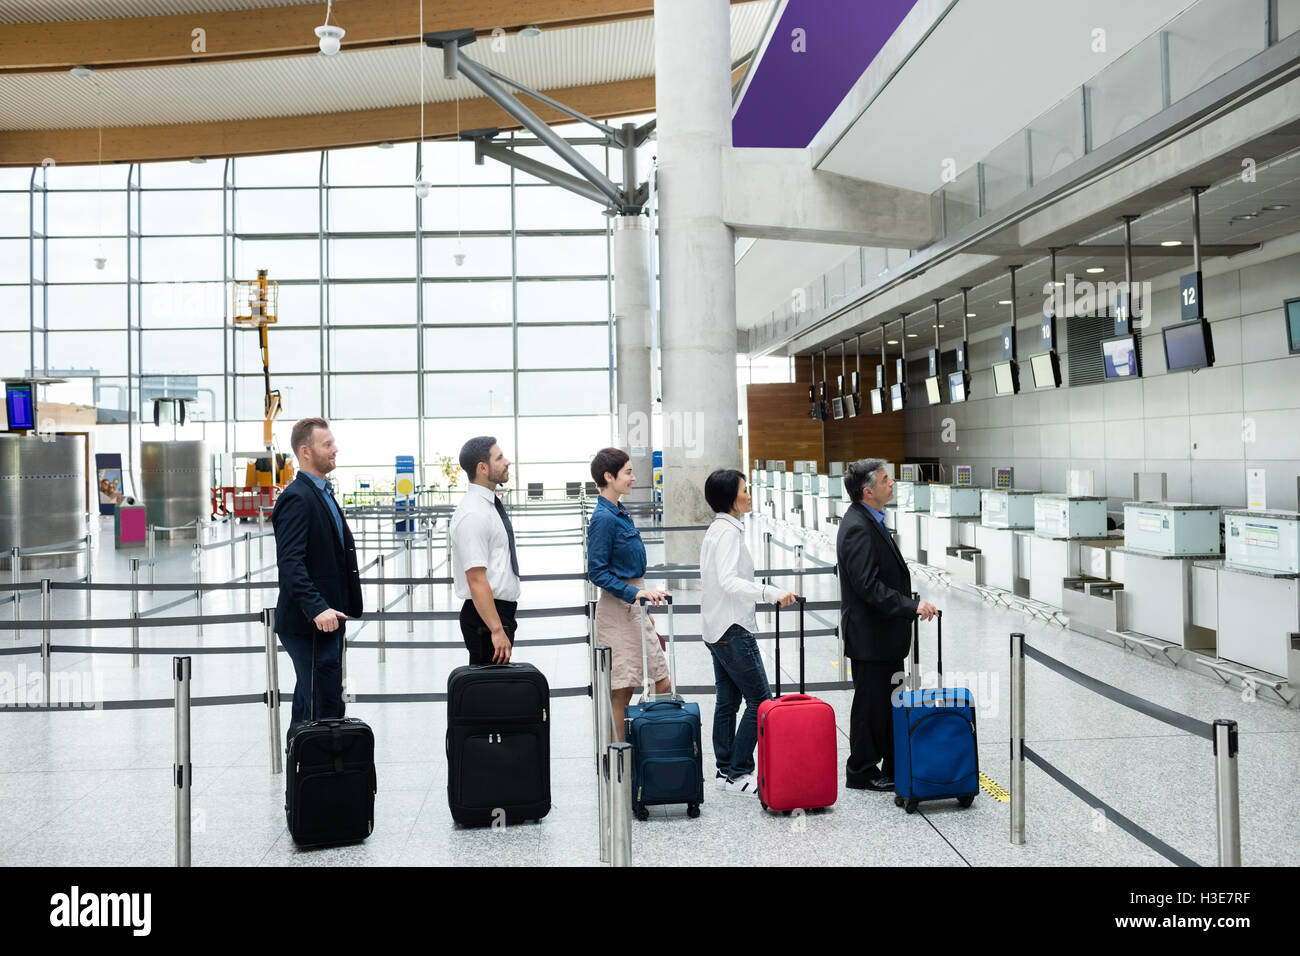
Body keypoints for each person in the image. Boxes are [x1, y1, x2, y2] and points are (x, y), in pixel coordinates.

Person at [836, 458, 938, 792]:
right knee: (869, 704)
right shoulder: (857, 526)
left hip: (883, 634)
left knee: (886, 700)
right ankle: (861, 770)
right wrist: (911, 606)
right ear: (868, 491)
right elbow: (867, 585)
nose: (891, 482)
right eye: (884, 479)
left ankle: (891, 763)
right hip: (870, 634)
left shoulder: (871, 519)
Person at [700, 468, 796, 796]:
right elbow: (728, 580)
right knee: (760, 700)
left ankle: (725, 769)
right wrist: (770, 593)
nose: (749, 494)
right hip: (732, 628)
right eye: (745, 489)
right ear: (731, 498)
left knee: (727, 700)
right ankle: (739, 771)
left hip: (716, 627)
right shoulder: (727, 533)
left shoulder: (718, 529)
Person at [272, 417, 363, 736]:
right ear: (306, 451)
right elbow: (290, 562)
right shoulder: (298, 497)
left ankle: (305, 775)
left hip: (329, 619)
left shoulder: (322, 493)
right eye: (328, 444)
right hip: (310, 623)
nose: (335, 449)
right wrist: (316, 608)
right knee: (321, 708)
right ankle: (317, 775)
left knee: (314, 703)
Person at [586, 447, 670, 741]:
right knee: (623, 689)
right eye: (628, 472)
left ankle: (644, 754)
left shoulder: (619, 512)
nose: (634, 478)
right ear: (609, 476)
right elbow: (596, 571)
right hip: (620, 608)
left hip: (634, 604)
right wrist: (635, 596)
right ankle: (621, 765)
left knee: (657, 680)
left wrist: (641, 601)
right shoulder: (603, 519)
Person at [450, 436, 520, 666]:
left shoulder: (487, 507)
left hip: (495, 614)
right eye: (499, 458)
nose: (507, 461)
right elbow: (476, 578)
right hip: (486, 618)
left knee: (494, 693)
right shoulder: (474, 513)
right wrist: (496, 629)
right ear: (482, 468)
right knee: (489, 695)